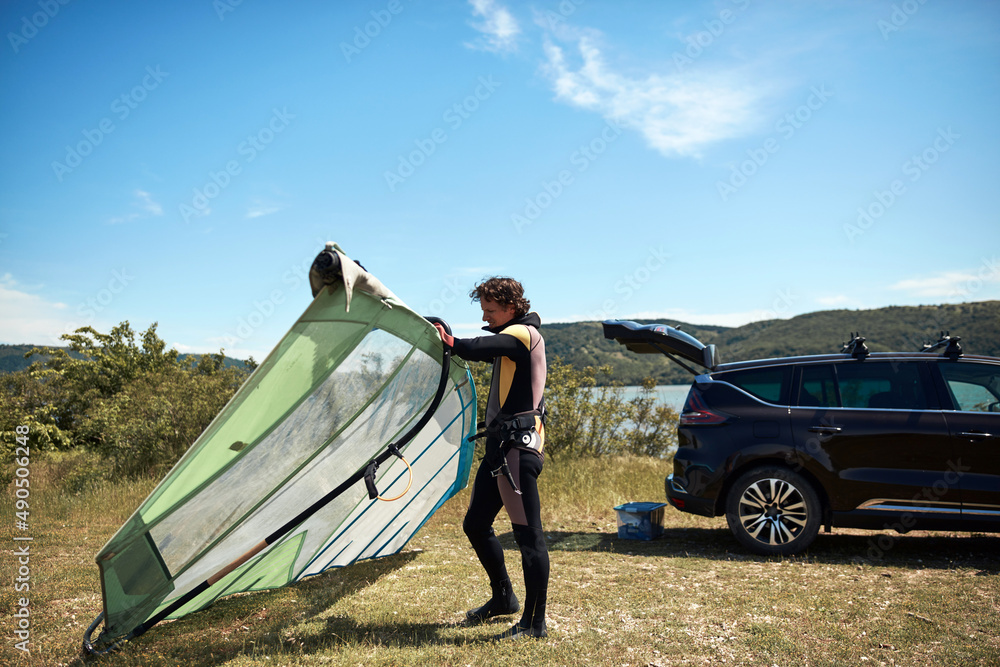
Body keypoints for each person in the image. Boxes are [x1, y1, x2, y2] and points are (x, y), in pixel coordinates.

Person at [433, 276, 549, 640]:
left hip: (518, 451)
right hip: (501, 448)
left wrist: (450, 342)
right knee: (476, 524)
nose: (486, 315)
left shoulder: (524, 334)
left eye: (491, 309)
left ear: (512, 307)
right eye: (483, 309)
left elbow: (481, 346)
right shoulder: (511, 334)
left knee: (529, 536)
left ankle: (534, 624)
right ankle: (503, 598)